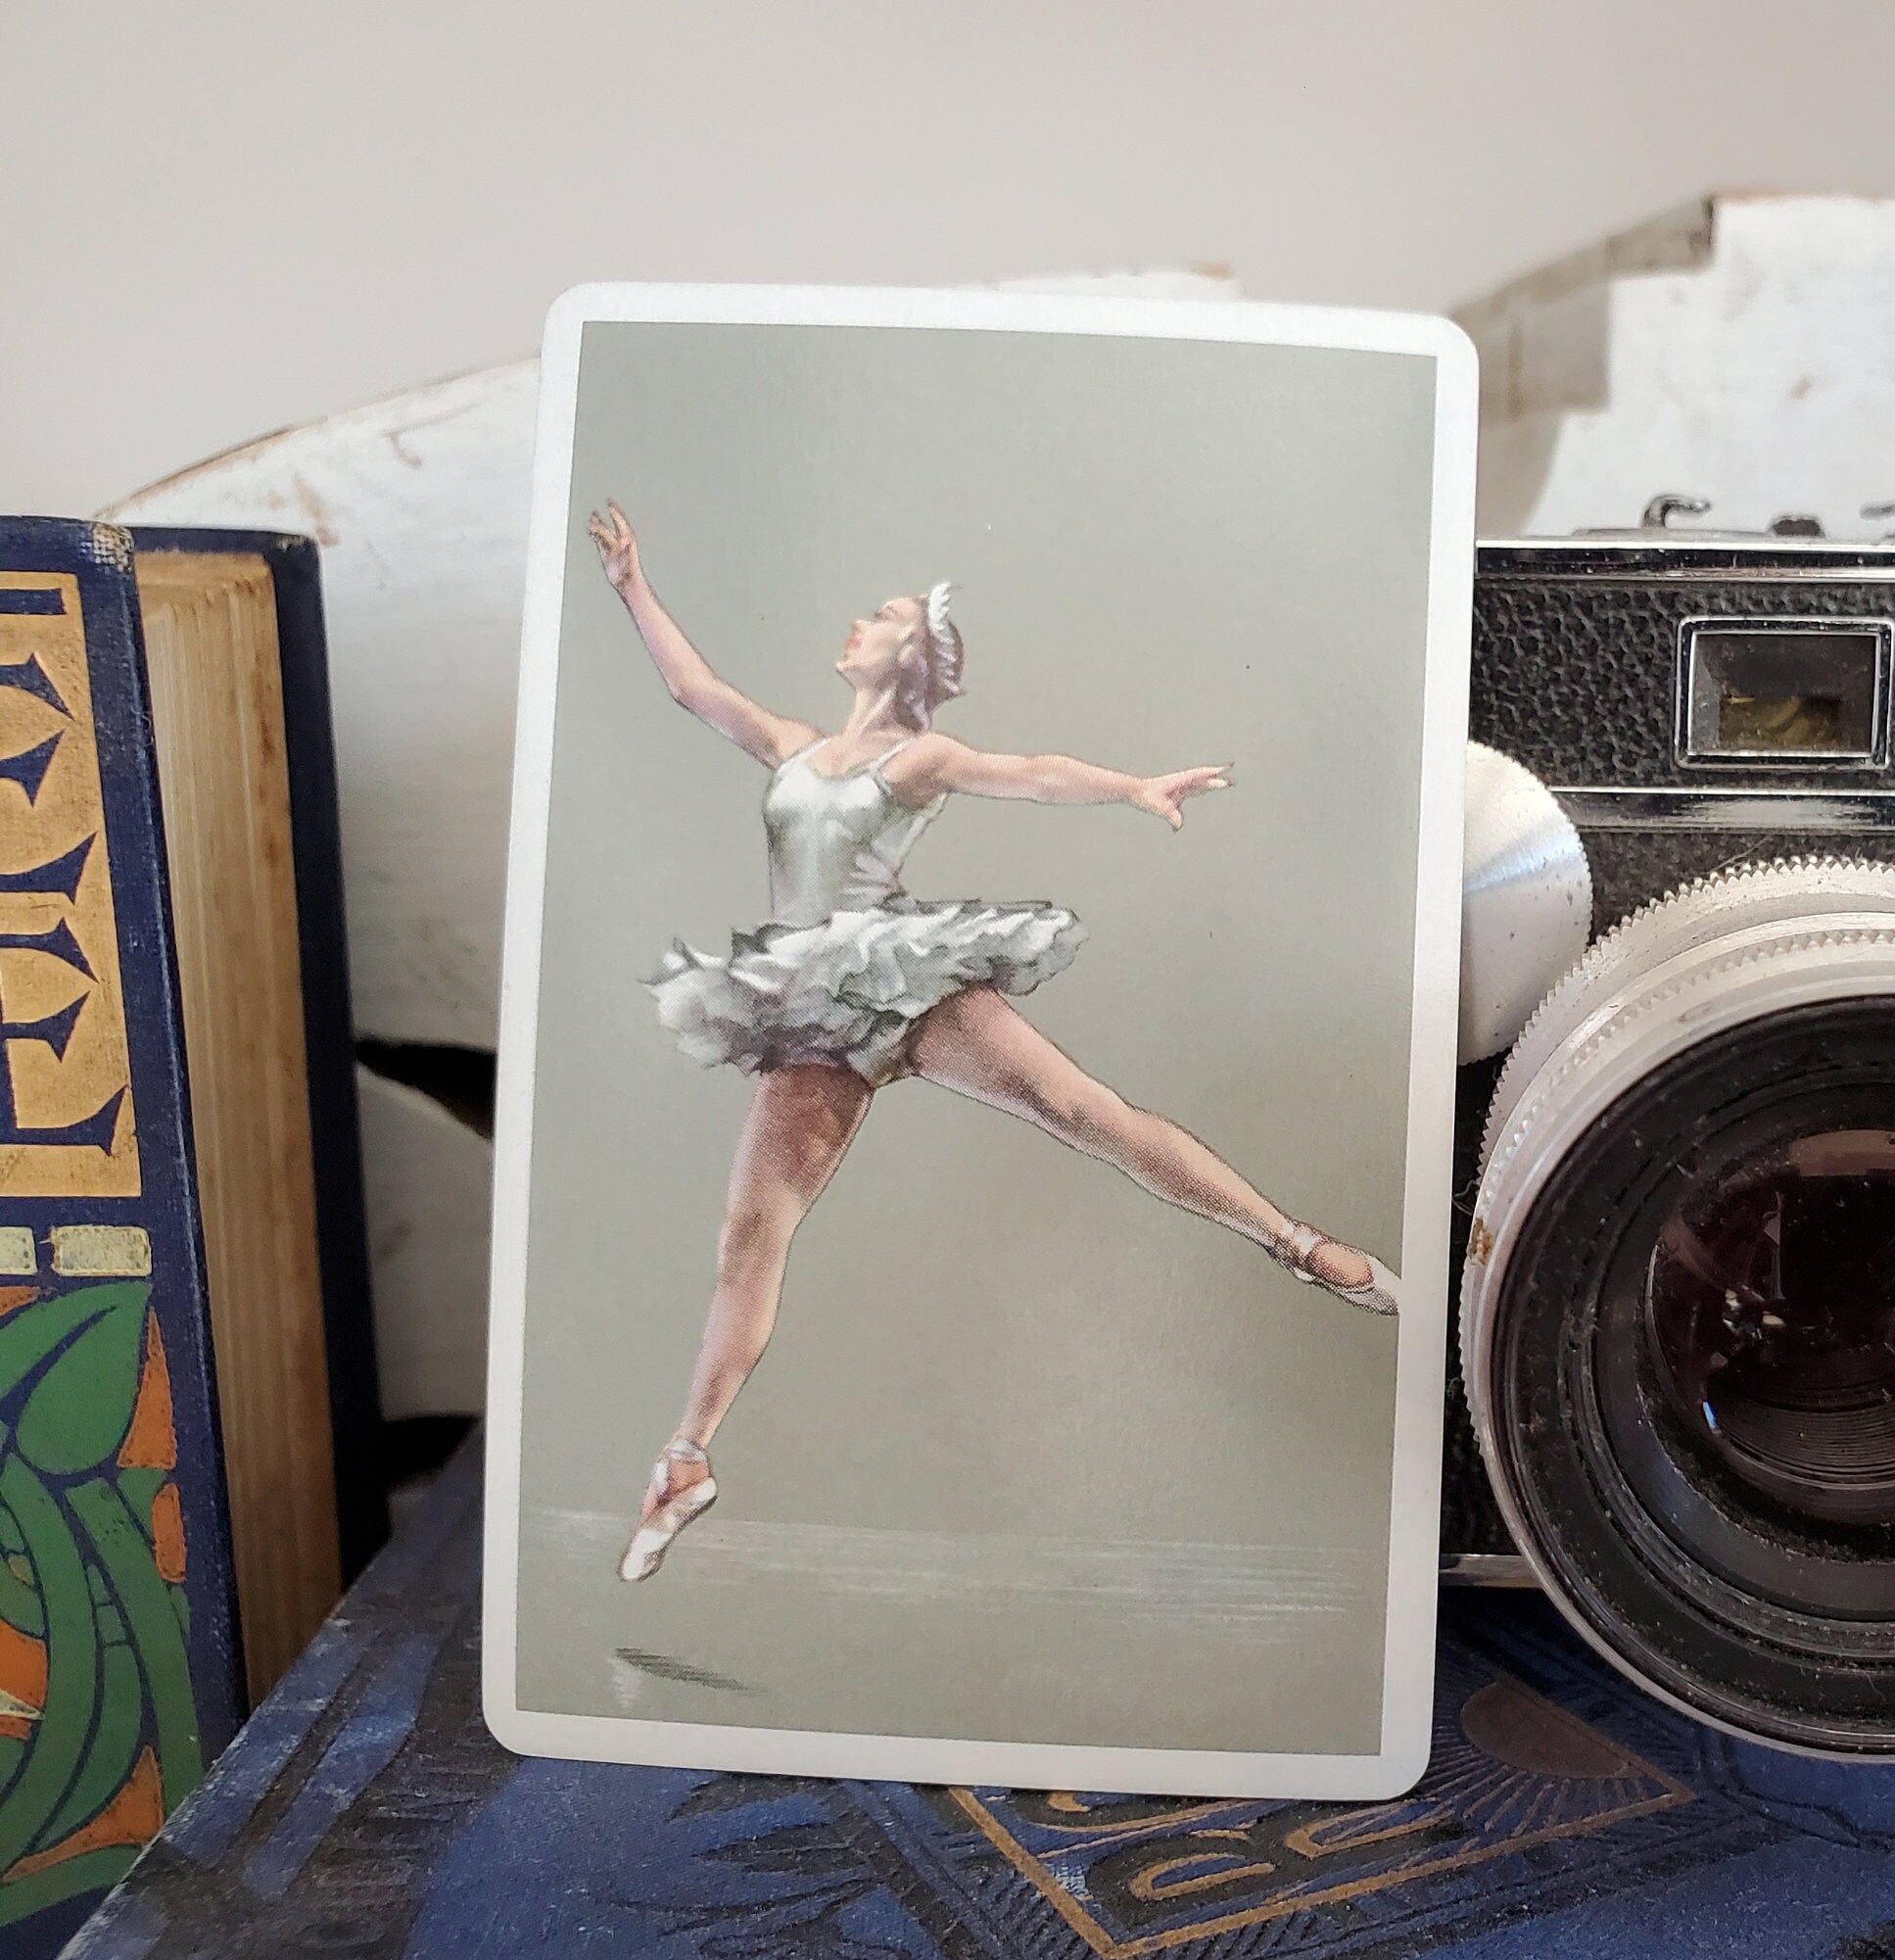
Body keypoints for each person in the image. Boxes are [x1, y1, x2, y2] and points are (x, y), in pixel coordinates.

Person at [584, 502, 1395, 1583]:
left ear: (907, 652)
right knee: (751, 1232)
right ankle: (686, 1462)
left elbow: (1033, 770)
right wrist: (634, 585)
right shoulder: (792, 745)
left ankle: (1299, 1246)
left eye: (879, 615)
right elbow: (695, 690)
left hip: (902, 977)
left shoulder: (921, 759)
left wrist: (1132, 787)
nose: (857, 622)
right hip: (811, 1004)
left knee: (1087, 1112)